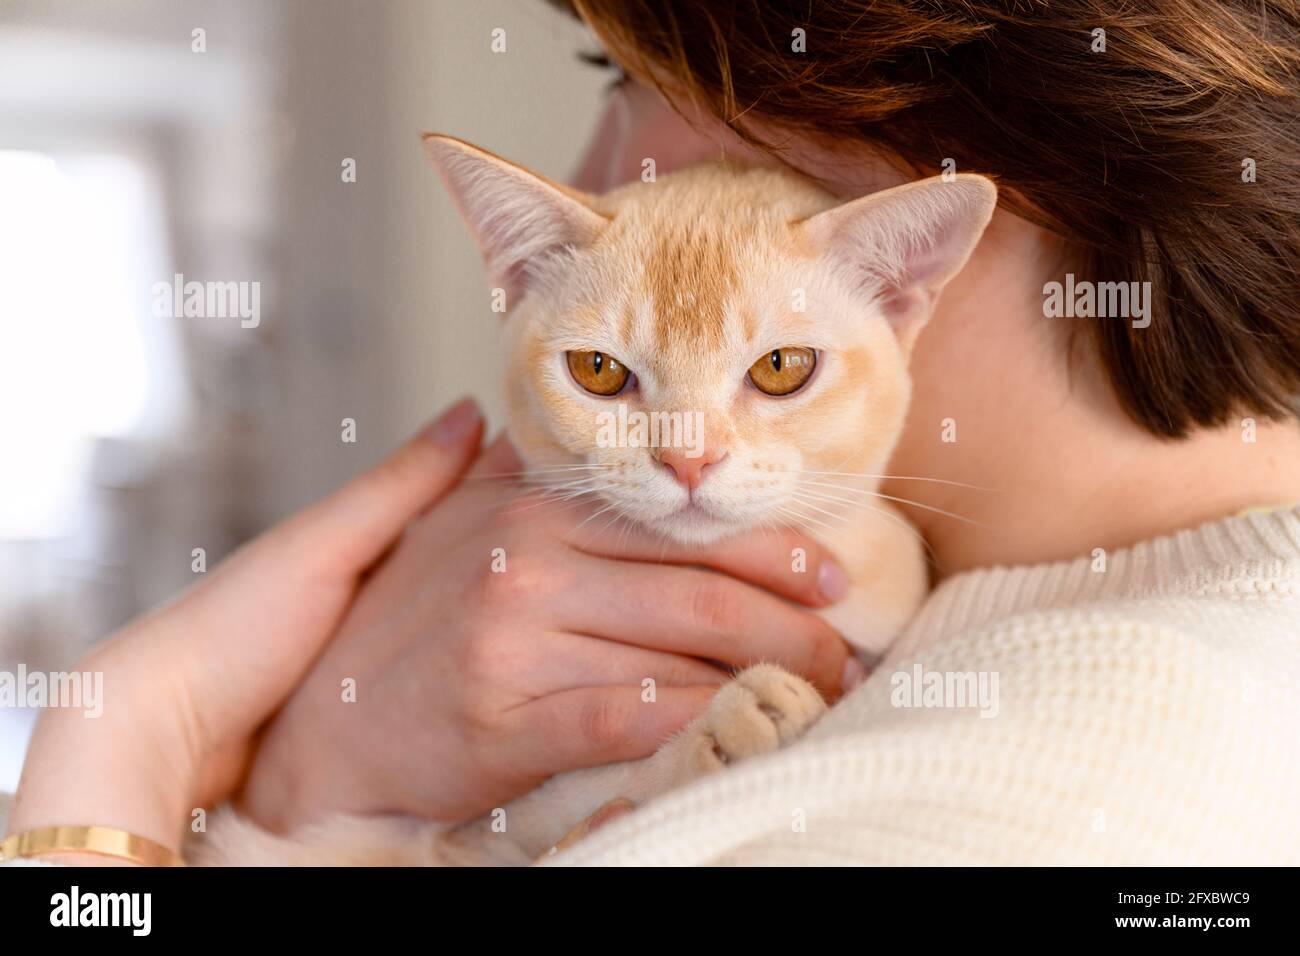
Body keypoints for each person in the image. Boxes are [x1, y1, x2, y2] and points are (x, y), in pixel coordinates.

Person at [5, 0, 1299, 866]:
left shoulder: (1020, 802)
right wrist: (324, 784)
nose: (592, 153)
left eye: (626, 73)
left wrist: (125, 750)